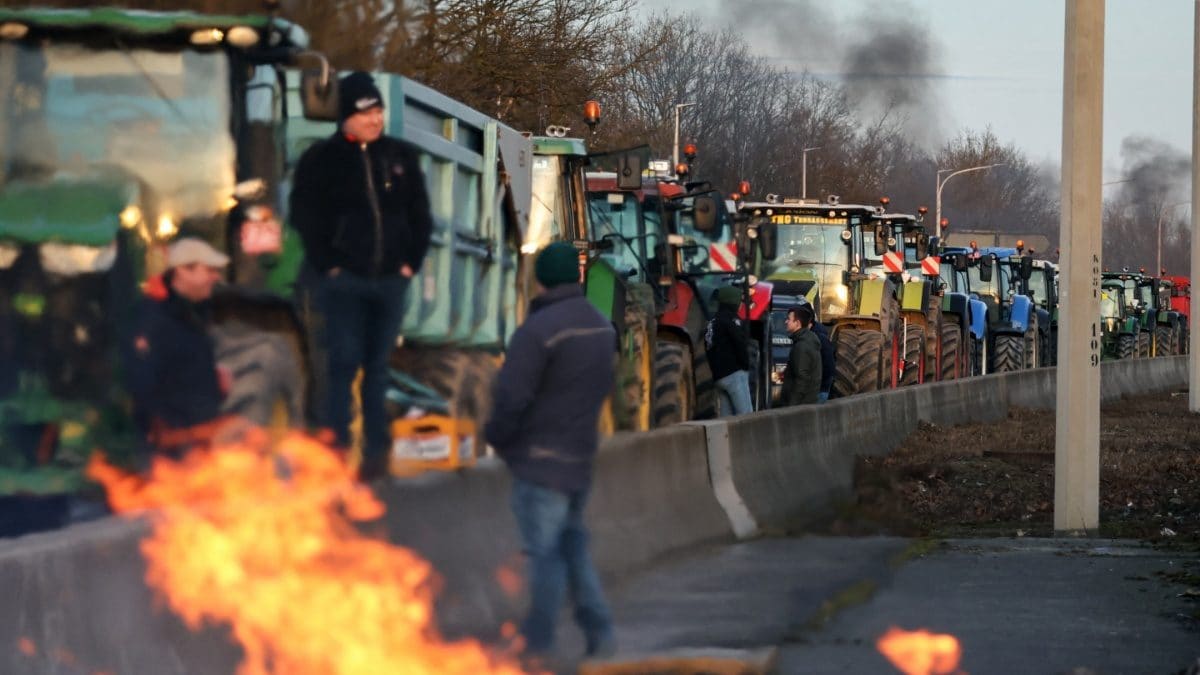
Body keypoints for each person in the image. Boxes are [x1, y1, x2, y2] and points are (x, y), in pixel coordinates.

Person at [290, 71, 434, 481]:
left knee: (377, 367)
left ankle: (376, 456)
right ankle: (336, 451)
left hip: (390, 281)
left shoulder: (400, 158)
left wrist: (410, 263)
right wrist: (328, 265)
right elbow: (305, 216)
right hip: (344, 282)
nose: (375, 119)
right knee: (342, 364)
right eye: (366, 112)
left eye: (378, 110)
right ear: (346, 117)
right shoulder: (322, 161)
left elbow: (420, 217)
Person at [484, 242, 617, 660]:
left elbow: (511, 399)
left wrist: (499, 439)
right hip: (580, 460)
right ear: (576, 277)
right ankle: (600, 630)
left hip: (541, 464)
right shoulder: (601, 327)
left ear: (539, 279)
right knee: (573, 548)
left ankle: (538, 643)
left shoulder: (538, 331)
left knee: (545, 556)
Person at [125, 238, 230, 455]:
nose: (215, 277)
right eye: (209, 270)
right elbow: (142, 381)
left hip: (199, 438)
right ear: (182, 271)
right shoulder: (152, 318)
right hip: (170, 446)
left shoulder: (196, 313)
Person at [705, 285, 753, 416]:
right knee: (746, 416)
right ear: (733, 302)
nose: (741, 305)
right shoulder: (732, 320)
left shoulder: (712, 322)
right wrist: (745, 366)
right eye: (740, 301)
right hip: (734, 374)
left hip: (719, 377)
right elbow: (740, 344)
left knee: (726, 420)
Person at [779, 304, 822, 406]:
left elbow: (802, 379)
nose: (786, 322)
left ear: (797, 323)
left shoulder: (802, 346)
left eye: (789, 319)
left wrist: (792, 406)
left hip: (800, 406)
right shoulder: (807, 341)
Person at [809, 310, 836, 402]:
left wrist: (822, 383)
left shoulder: (820, 338)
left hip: (820, 387)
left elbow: (828, 365)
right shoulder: (810, 336)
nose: (786, 322)